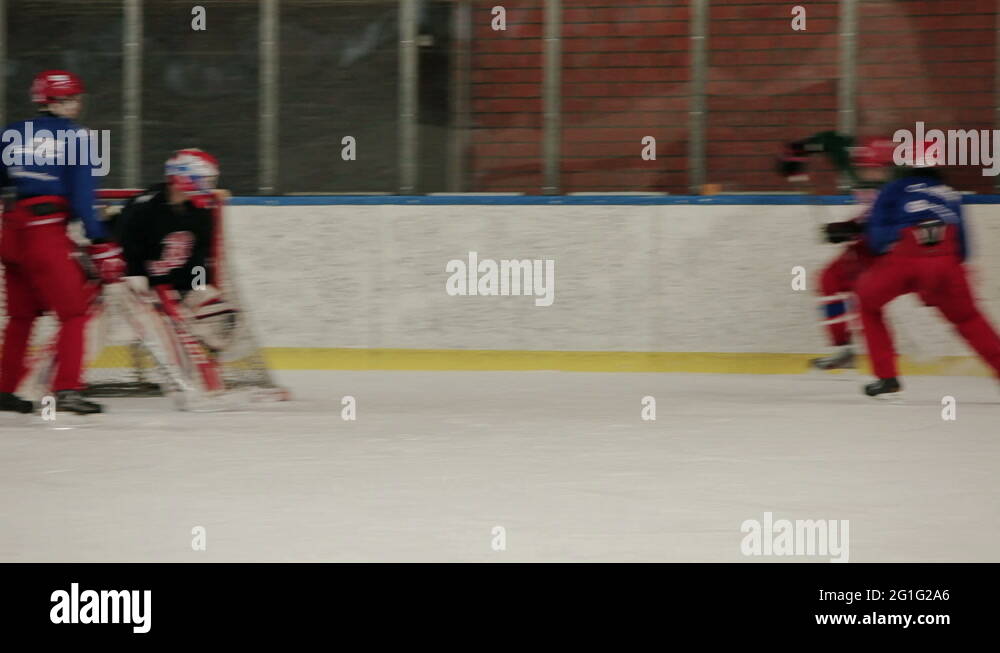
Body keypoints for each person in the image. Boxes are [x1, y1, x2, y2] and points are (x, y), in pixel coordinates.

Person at [0, 71, 123, 415]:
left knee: (20, 317)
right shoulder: (79, 137)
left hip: (10, 234)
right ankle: (68, 389)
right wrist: (102, 240)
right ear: (60, 101)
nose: (79, 104)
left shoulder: (10, 132)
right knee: (74, 314)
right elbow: (84, 200)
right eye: (74, 97)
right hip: (46, 232)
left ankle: (4, 389)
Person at [854, 142, 1000, 397]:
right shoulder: (951, 194)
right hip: (947, 261)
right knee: (969, 319)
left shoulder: (894, 189)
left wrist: (890, 249)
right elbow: (964, 247)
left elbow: (876, 239)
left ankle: (886, 377)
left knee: (867, 302)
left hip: (905, 257)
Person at [778, 132, 896, 370]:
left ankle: (885, 363)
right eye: (864, 168)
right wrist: (798, 149)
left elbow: (885, 222)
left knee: (867, 299)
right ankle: (843, 349)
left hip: (889, 246)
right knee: (829, 280)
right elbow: (829, 141)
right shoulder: (850, 159)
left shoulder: (896, 187)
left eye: (877, 169)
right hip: (867, 241)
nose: (869, 174)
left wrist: (850, 228)